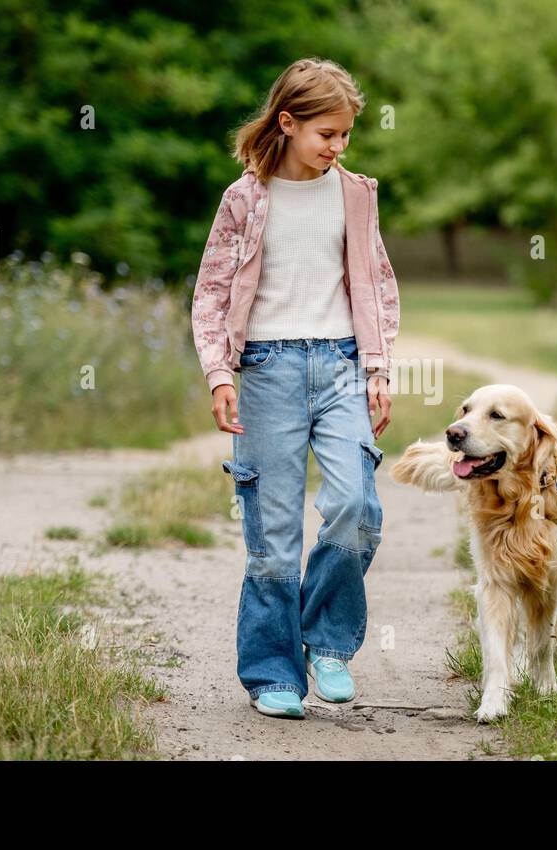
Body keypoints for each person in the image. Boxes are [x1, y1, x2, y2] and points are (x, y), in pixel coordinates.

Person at [190, 57, 400, 719]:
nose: (338, 147)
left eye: (345, 135)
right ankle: (272, 675)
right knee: (273, 534)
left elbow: (380, 286)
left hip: (340, 366)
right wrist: (220, 372)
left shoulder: (356, 194)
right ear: (287, 121)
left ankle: (328, 641)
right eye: (327, 134)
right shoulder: (244, 199)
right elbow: (212, 293)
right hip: (267, 373)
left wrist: (378, 370)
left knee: (357, 507)